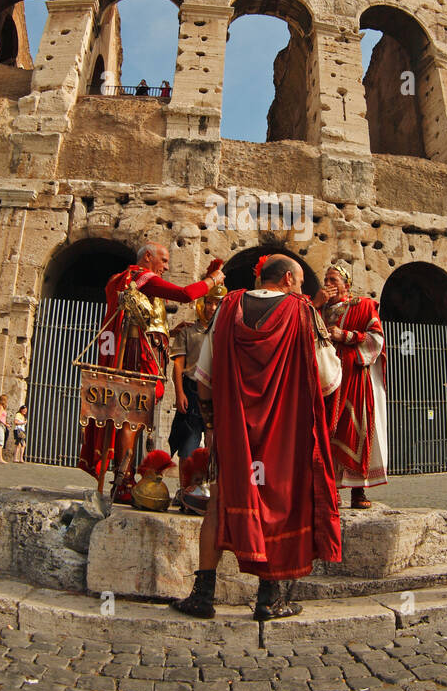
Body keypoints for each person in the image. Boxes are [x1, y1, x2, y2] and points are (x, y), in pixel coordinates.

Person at [171, 254, 343, 621]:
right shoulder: (301, 312)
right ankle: (269, 598)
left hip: (233, 434)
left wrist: (213, 427)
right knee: (277, 508)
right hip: (284, 437)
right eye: (298, 283)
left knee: (217, 506)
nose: (300, 289)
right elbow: (330, 379)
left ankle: (203, 595)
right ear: (286, 280)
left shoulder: (228, 307)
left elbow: (203, 377)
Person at [78, 244, 225, 505]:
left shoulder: (130, 280)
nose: (166, 267)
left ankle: (124, 478)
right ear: (147, 257)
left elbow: (148, 321)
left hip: (144, 353)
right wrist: (211, 280)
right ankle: (123, 481)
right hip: (138, 357)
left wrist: (170, 330)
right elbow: (185, 295)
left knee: (132, 418)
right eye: (164, 260)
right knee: (130, 417)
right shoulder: (142, 279)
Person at [313, 261, 387, 510]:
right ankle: (331, 489)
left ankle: (358, 490)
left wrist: (344, 336)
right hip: (325, 376)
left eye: (333, 280)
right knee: (326, 433)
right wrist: (316, 305)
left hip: (353, 374)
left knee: (355, 429)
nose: (328, 283)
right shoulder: (318, 311)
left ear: (347, 285)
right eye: (326, 279)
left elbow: (376, 338)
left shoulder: (363, 306)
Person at [168, 283, 226, 503]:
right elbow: (178, 365)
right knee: (188, 444)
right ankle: (185, 489)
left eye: (217, 303)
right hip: (191, 392)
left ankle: (212, 489)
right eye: (209, 302)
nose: (212, 308)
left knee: (215, 445)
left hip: (216, 394)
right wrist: (179, 393)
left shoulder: (226, 333)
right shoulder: (188, 332)